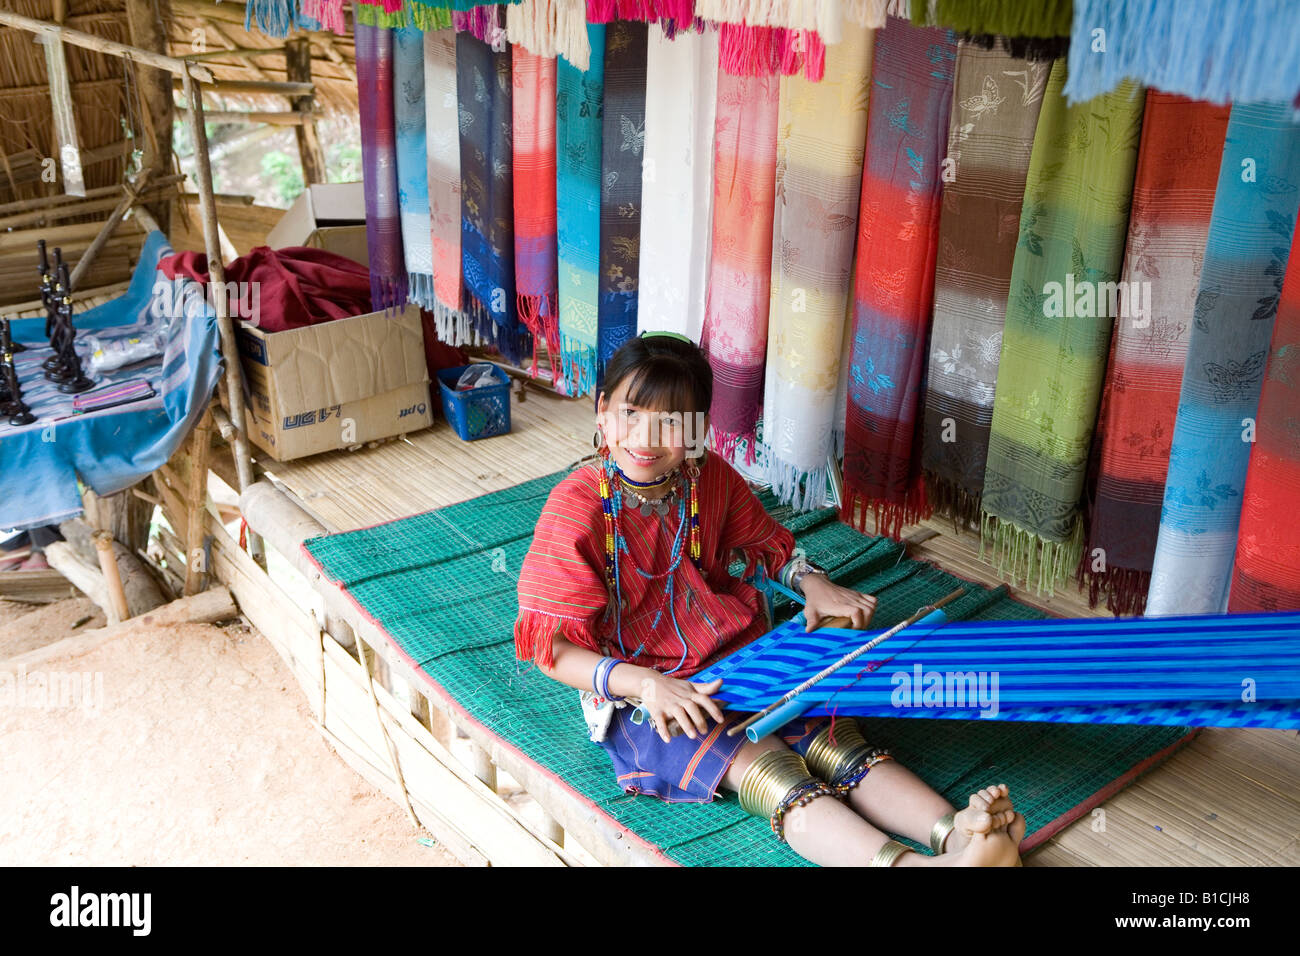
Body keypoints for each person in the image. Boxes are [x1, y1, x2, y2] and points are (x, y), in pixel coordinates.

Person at [514, 331, 1025, 866]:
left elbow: (767, 546)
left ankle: (956, 834)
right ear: (602, 411)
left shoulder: (706, 479)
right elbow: (551, 651)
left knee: (833, 740)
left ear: (697, 432)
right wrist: (649, 686)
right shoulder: (577, 508)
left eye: (671, 421)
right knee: (774, 771)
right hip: (642, 695)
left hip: (740, 661)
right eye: (631, 412)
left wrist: (813, 583)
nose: (645, 436)